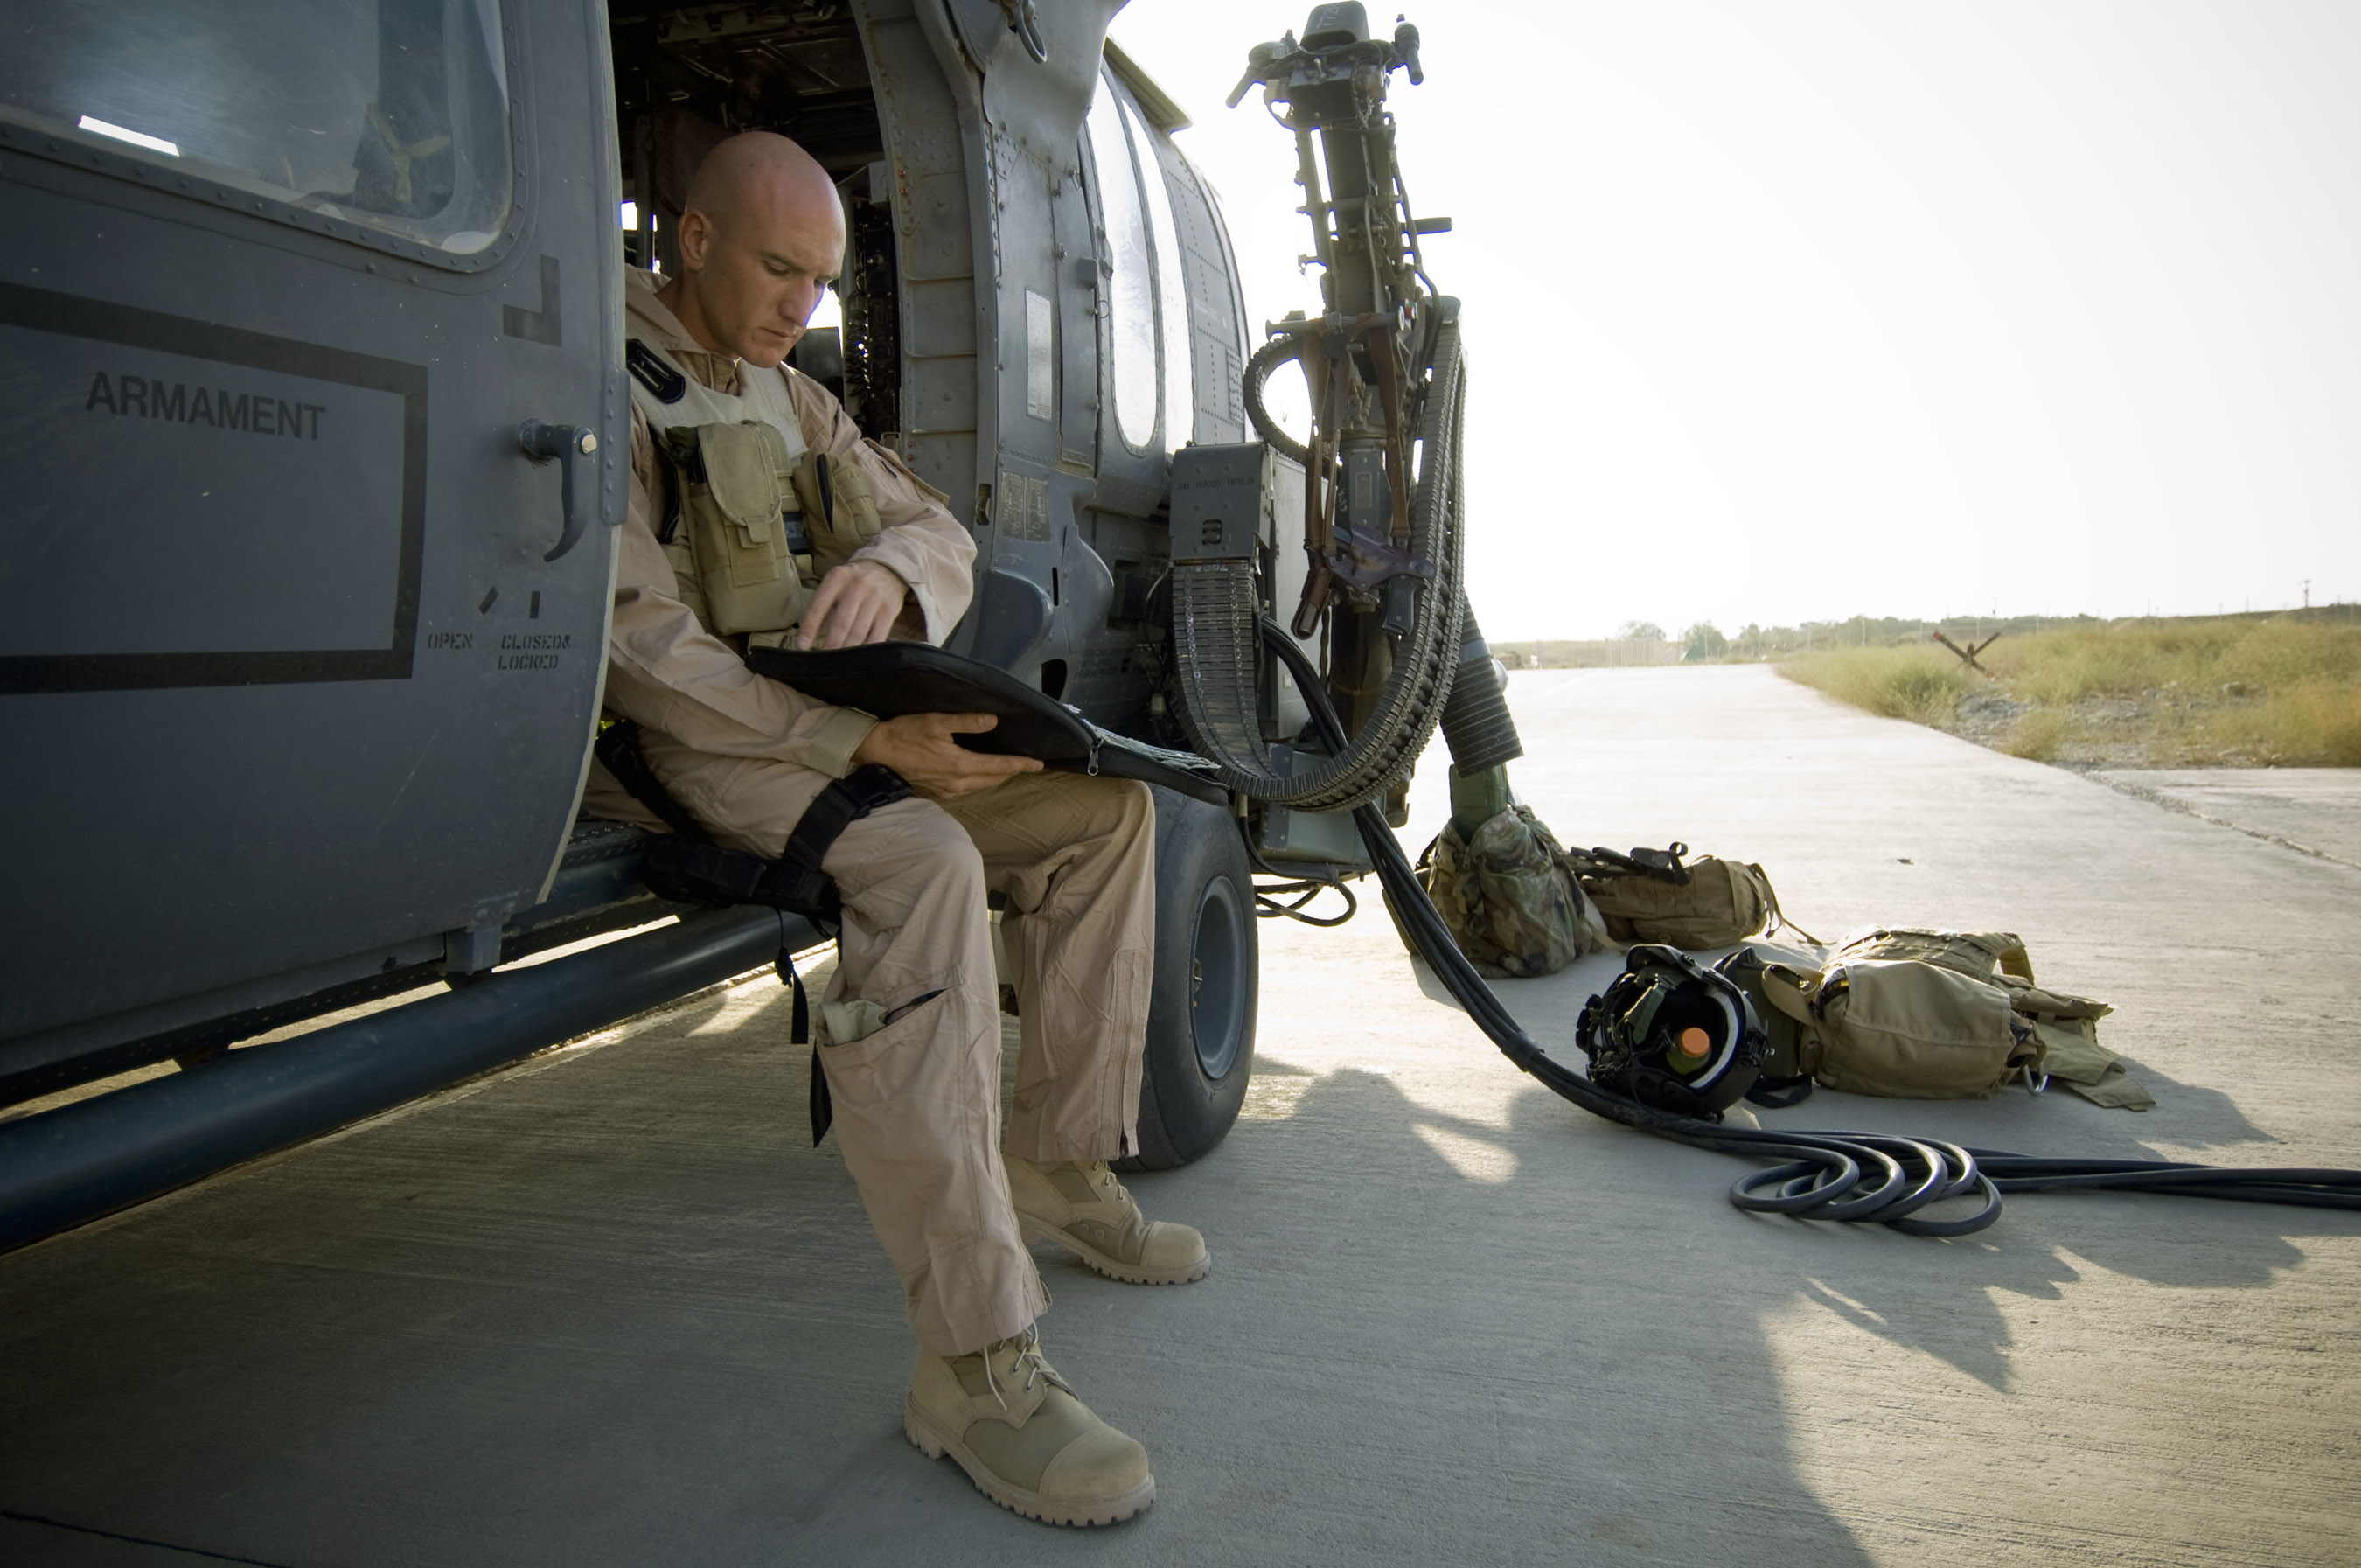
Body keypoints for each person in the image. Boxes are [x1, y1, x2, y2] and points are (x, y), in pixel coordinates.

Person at [580, 132, 1207, 1527]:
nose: (798, 304)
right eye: (773, 268)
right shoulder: (601, 380)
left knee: (1106, 815)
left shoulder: (796, 403)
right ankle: (975, 1365)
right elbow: (634, 648)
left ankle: (1053, 1156)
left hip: (822, 732)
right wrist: (858, 741)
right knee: (920, 861)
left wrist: (879, 566)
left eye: (817, 280)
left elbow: (939, 530)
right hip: (700, 747)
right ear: (689, 241)